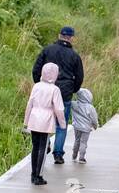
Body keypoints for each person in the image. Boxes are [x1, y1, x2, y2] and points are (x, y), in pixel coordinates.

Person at [32, 26, 84, 164]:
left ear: (59, 35)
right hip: (65, 93)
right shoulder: (74, 56)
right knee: (62, 125)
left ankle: (46, 143)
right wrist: (73, 89)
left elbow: (36, 69)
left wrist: (40, 85)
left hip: (46, 92)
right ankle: (58, 154)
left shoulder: (47, 50)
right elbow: (79, 77)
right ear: (71, 38)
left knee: (44, 118)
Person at [24, 62, 66, 185]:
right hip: (46, 119)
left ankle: (33, 174)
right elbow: (59, 109)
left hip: (34, 118)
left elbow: (29, 103)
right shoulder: (55, 89)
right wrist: (62, 124)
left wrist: (26, 121)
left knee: (35, 147)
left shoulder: (36, 86)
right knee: (43, 147)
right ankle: (39, 175)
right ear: (55, 74)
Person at [70, 87, 100, 163]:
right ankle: (81, 158)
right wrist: (95, 125)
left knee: (77, 141)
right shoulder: (90, 108)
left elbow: (68, 102)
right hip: (86, 128)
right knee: (83, 142)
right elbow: (94, 118)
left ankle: (74, 155)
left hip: (77, 127)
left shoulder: (74, 104)